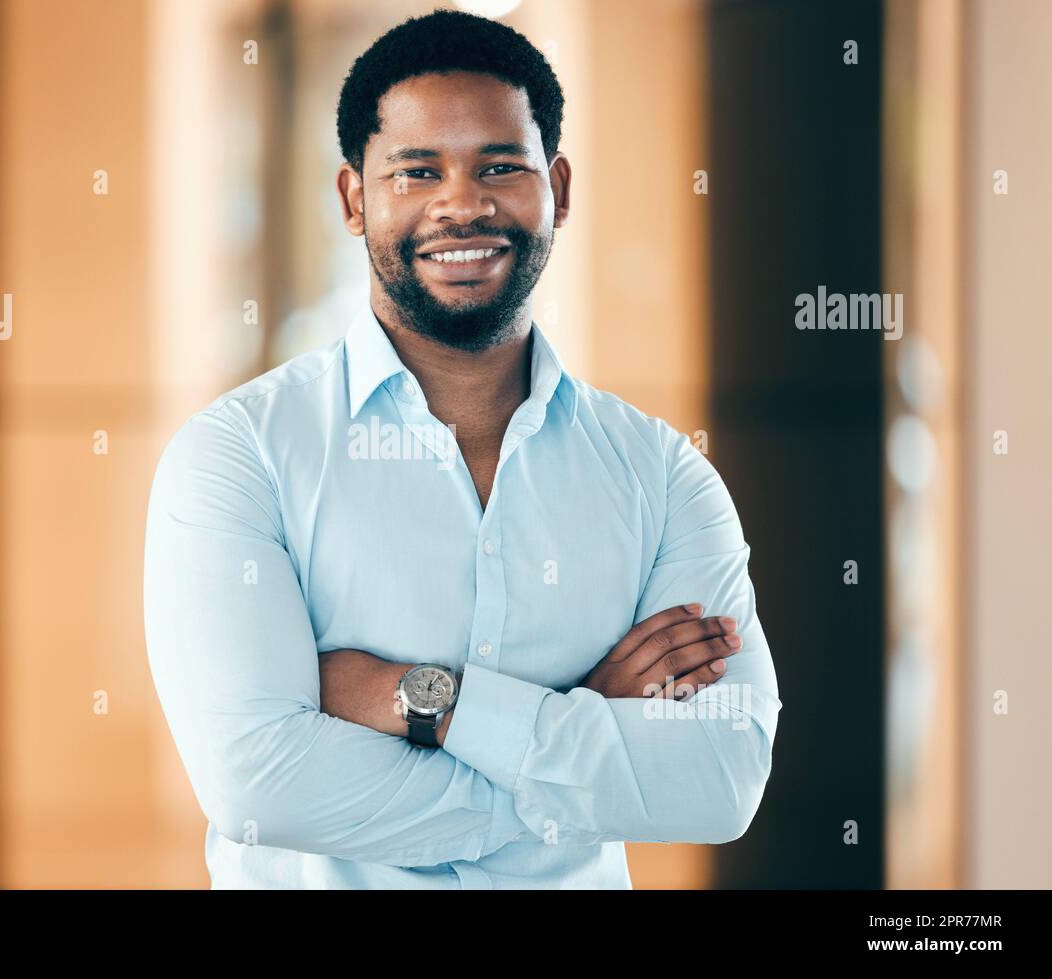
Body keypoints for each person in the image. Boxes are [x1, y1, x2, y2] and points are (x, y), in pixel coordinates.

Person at [143, 8, 781, 889]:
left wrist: (423, 700)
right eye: (417, 171)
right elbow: (260, 782)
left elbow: (721, 777)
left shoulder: (665, 477)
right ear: (353, 199)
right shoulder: (239, 457)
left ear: (557, 186)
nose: (462, 203)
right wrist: (578, 733)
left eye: (500, 166)